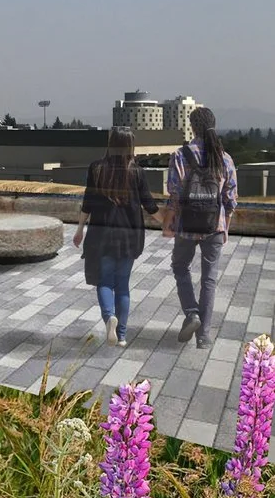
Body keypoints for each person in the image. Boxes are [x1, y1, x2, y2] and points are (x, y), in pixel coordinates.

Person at [164, 107, 239, 349]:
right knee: (209, 279)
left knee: (179, 266)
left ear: (192, 126)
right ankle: (204, 336)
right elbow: (230, 199)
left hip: (186, 225)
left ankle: (192, 313)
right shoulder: (224, 158)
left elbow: (174, 195)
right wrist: (225, 227)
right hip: (213, 226)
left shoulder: (180, 155)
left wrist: (169, 224)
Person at [75, 129, 157, 347]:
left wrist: (79, 229)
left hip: (102, 235)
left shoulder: (97, 169)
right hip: (129, 236)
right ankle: (121, 336)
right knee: (123, 286)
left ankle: (109, 317)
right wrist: (168, 222)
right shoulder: (137, 172)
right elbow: (149, 204)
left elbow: (88, 202)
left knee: (104, 282)